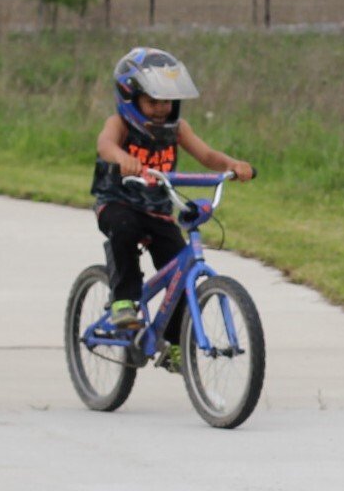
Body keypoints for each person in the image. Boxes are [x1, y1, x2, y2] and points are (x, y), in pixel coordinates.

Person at [92, 47, 254, 347]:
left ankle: (176, 342)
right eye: (152, 101)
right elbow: (105, 145)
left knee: (182, 266)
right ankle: (123, 302)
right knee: (124, 228)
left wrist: (232, 165)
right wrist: (122, 157)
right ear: (130, 98)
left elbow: (207, 155)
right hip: (117, 201)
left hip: (157, 209)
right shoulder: (121, 124)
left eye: (166, 101)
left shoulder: (177, 129)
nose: (161, 108)